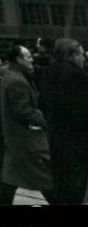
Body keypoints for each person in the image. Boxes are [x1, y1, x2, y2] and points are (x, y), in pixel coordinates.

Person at [0, 44, 54, 205]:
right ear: (18, 59)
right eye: (27, 57)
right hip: (25, 138)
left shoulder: (11, 75)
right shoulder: (16, 81)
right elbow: (23, 110)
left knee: (8, 180)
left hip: (15, 138)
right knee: (45, 178)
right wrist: (45, 120)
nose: (31, 60)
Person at [41, 39, 88, 205]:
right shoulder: (77, 75)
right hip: (76, 139)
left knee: (60, 179)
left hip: (55, 135)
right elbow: (81, 111)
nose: (84, 58)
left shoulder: (48, 71)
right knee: (76, 182)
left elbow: (43, 102)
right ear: (73, 55)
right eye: (82, 54)